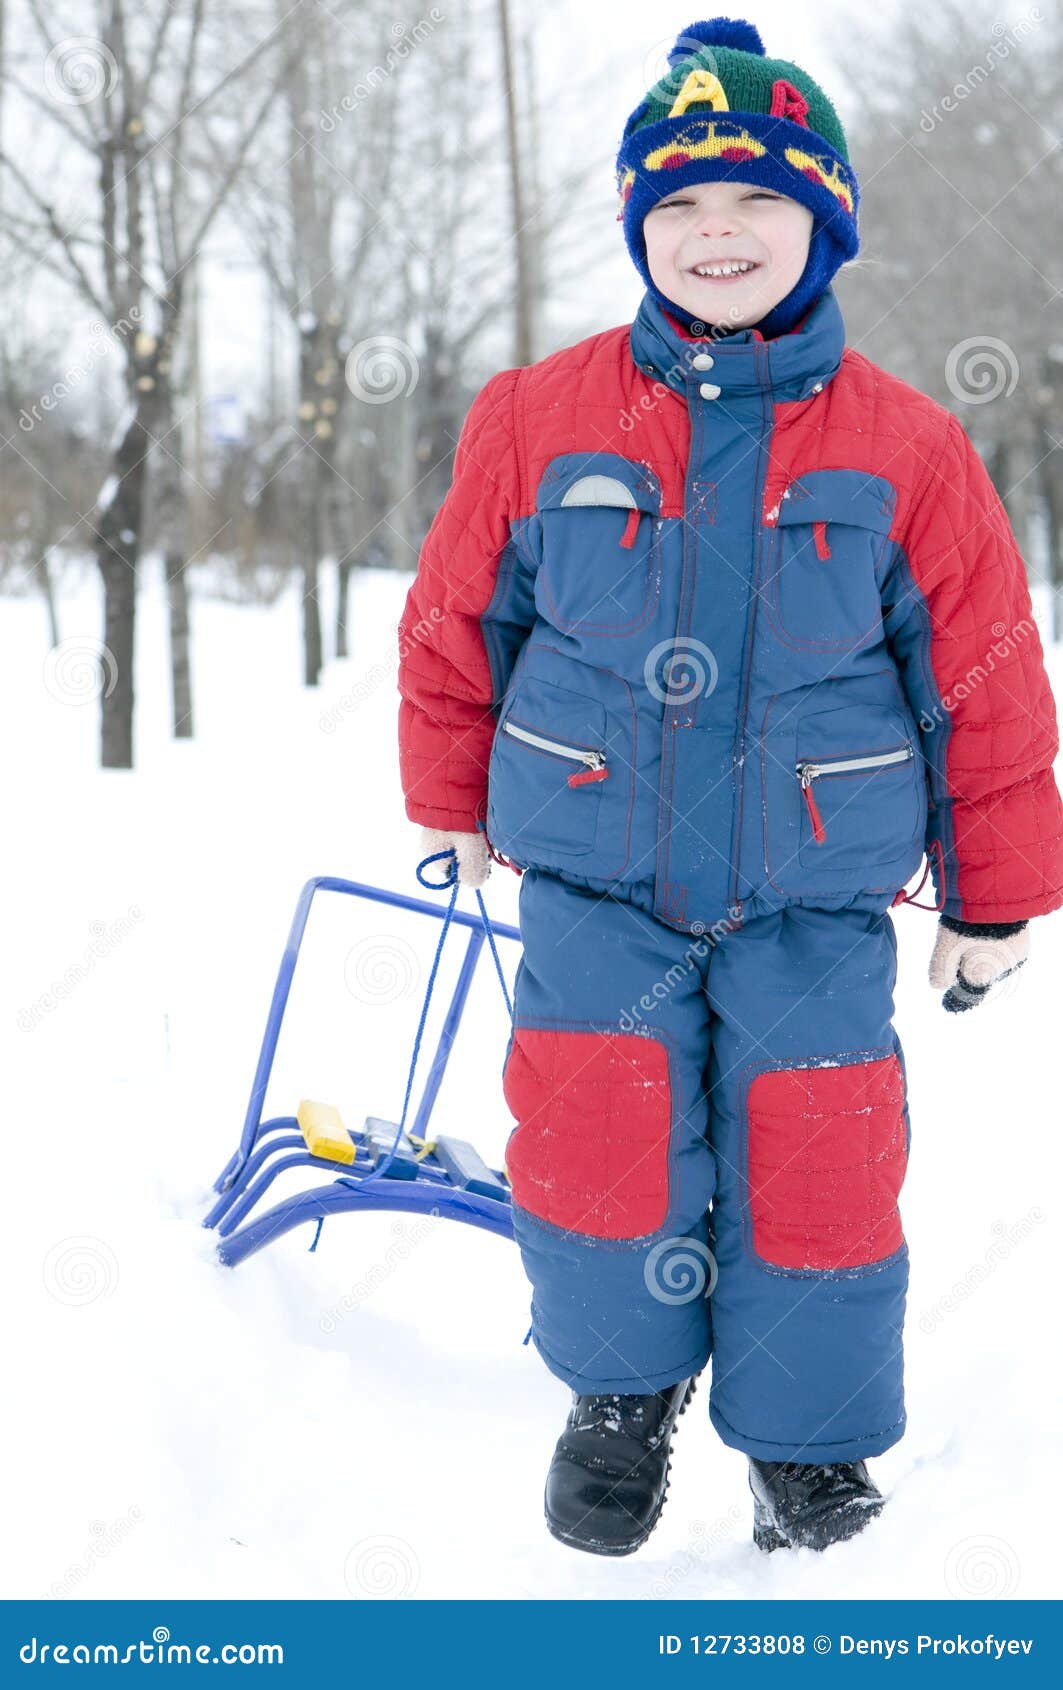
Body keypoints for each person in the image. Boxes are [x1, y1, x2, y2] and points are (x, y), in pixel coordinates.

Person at [395, 16, 1063, 1556]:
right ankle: (619, 1399)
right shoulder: (538, 420)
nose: (717, 235)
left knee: (818, 1155)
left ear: (821, 222)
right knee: (594, 1145)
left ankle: (809, 1445)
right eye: (682, 206)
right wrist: (449, 800)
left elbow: (987, 680)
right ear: (640, 224)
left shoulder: (910, 449)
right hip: (595, 885)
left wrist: (997, 892)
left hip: (814, 899)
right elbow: (452, 625)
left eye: (756, 203)